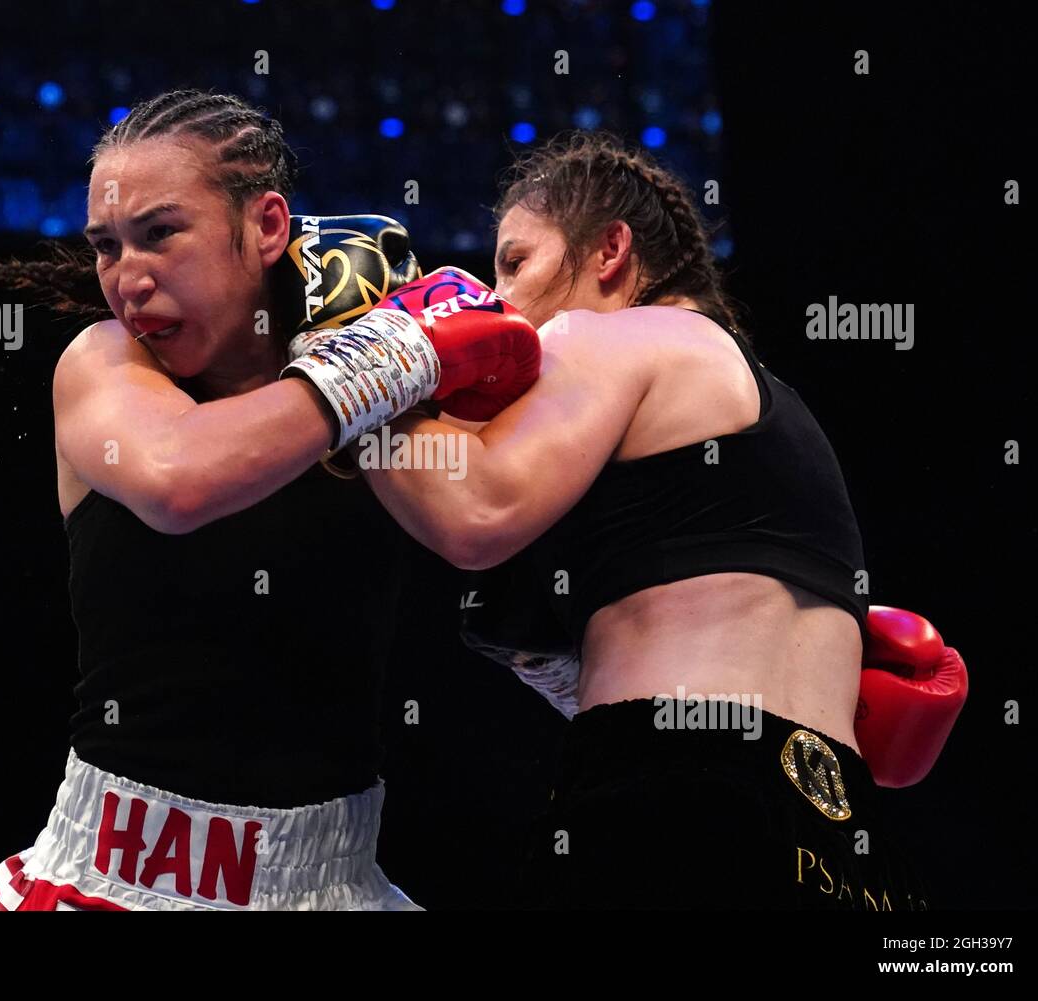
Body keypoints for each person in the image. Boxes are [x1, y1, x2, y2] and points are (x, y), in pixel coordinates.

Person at [322, 130, 958, 909]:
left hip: (675, 805)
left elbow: (475, 508)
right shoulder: (762, 410)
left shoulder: (609, 333)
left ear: (610, 253)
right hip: (844, 839)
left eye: (516, 263)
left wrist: (348, 353)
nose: (500, 302)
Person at [0, 88, 538, 910]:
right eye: (106, 247)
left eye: (160, 233)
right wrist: (394, 353)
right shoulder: (103, 363)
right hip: (118, 879)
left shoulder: (383, 387)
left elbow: (481, 524)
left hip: (333, 881)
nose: (129, 278)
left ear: (268, 226)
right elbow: (178, 478)